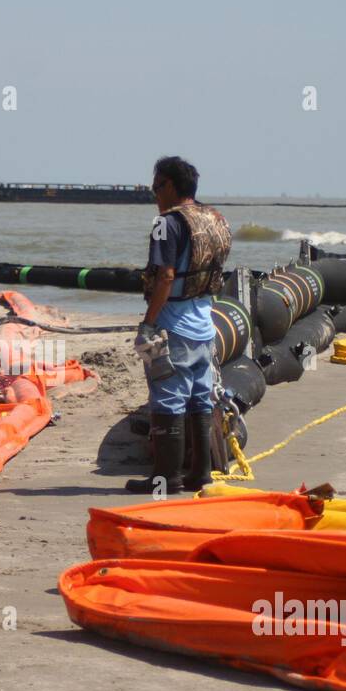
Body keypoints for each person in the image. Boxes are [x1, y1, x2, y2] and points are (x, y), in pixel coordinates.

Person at [127, 155, 232, 495]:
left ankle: (165, 479)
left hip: (172, 327)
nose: (155, 196)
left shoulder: (166, 224)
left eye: (156, 188)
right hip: (205, 325)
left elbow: (166, 276)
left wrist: (148, 324)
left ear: (170, 186)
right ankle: (201, 474)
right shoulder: (214, 219)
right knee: (201, 398)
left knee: (167, 396)